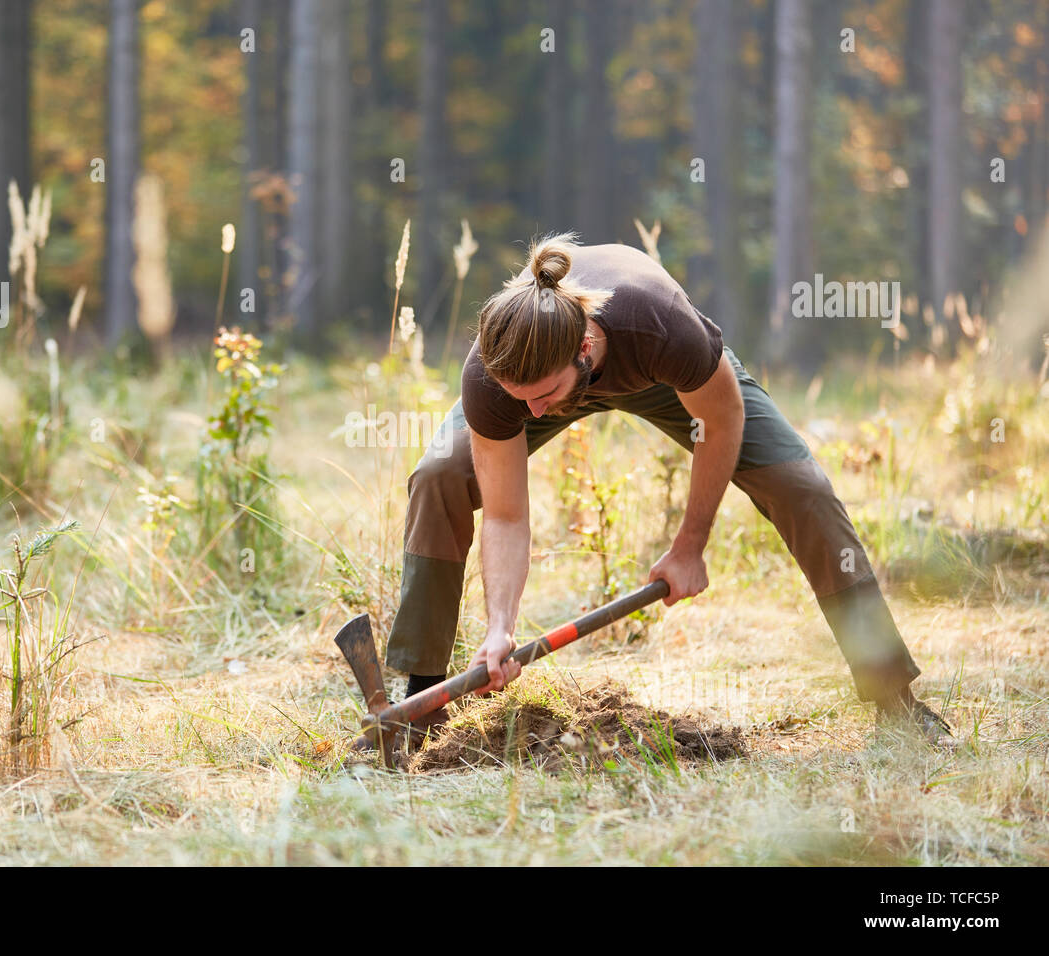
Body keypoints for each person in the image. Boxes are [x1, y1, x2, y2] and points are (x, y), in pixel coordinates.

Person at [379, 232, 954, 748]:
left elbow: (721, 422)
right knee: (437, 476)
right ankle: (422, 701)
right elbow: (506, 515)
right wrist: (500, 628)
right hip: (557, 372)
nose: (530, 413)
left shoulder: (659, 324)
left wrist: (689, 545)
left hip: (660, 374)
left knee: (801, 486)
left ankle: (893, 698)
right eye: (518, 398)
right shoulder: (497, 376)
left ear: (583, 347)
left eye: (540, 397)